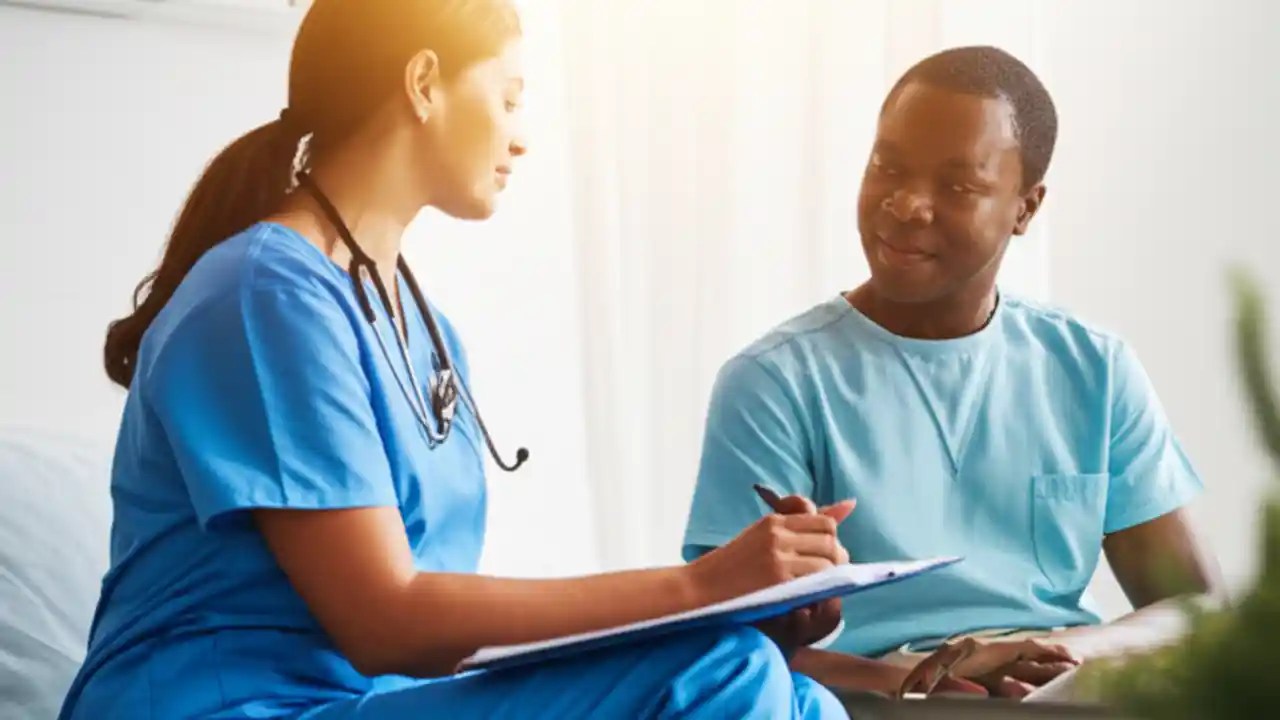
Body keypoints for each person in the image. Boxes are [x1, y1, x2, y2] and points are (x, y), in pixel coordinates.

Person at [58, 2, 859, 718]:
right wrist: (700, 588)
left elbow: (427, 629)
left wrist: (748, 601)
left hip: (372, 700)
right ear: (424, 81)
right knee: (718, 675)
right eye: (508, 97)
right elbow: (385, 620)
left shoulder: (423, 328)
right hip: (234, 704)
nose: (520, 134)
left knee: (798, 696)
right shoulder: (266, 290)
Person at [682, 45, 1220, 699]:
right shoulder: (774, 382)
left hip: (1062, 690)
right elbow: (720, 647)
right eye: (888, 166)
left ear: (1025, 208)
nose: (907, 204)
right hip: (870, 699)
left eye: (958, 186)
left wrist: (1055, 655)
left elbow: (1195, 607)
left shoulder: (1094, 367)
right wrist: (919, 686)